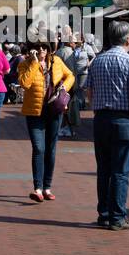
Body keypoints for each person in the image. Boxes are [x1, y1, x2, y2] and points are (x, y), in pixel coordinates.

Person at [87, 21, 129, 231]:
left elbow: (89, 93)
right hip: (125, 120)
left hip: (101, 119)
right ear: (128, 40)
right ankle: (117, 217)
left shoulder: (97, 62)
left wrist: (97, 110)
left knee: (103, 169)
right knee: (121, 171)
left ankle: (104, 214)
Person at [18, 39, 75, 203]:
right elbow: (25, 83)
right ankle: (37, 188)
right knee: (38, 148)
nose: (41, 49)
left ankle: (47, 187)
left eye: (44, 47)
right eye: (37, 47)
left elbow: (70, 75)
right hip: (34, 112)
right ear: (32, 50)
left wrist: (64, 87)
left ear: (49, 48)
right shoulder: (25, 64)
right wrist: (35, 63)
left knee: (51, 148)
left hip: (54, 111)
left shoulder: (56, 61)